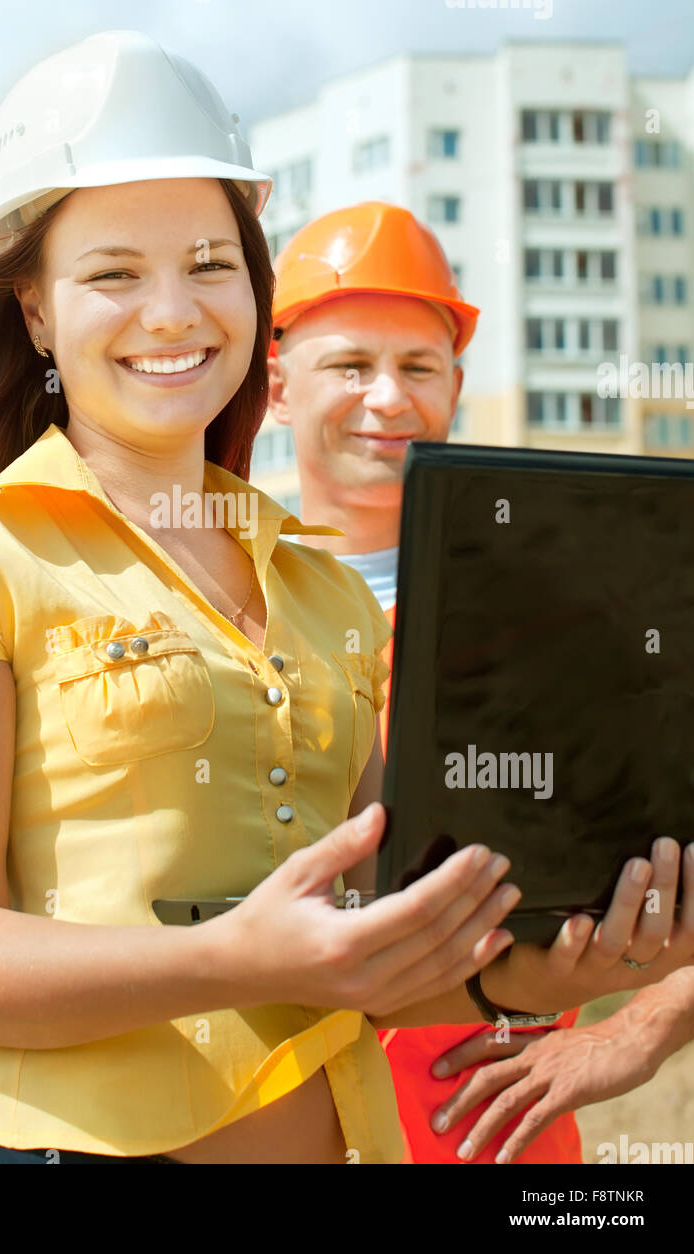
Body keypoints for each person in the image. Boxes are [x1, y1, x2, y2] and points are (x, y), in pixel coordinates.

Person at [0, 35, 692, 1165]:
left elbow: (390, 948)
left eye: (209, 263)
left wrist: (573, 957)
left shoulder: (317, 587)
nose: (172, 312)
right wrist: (240, 958)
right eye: (113, 273)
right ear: (34, 310)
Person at [267, 200, 694, 1164]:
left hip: (491, 1149)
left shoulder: (572, 624)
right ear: (277, 388)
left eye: (418, 367)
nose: (387, 399)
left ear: (455, 384)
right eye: (349, 365)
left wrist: (643, 1026)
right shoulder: (216, 613)